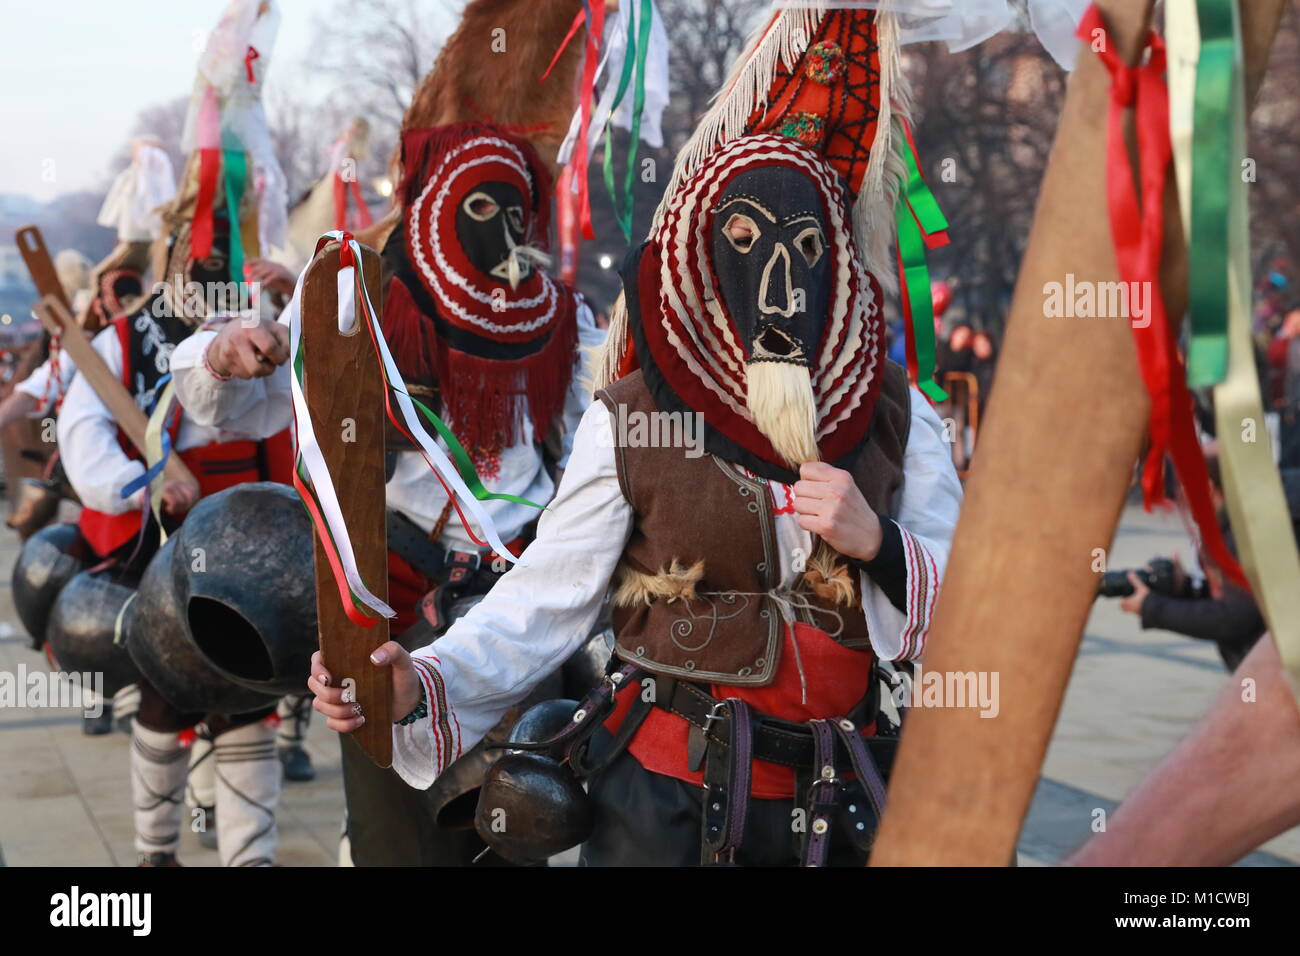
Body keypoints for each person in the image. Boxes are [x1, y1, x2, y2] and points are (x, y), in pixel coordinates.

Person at [311, 3, 964, 866]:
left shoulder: (894, 411)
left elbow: (976, 601)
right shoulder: (632, 416)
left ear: (837, 261)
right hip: (665, 808)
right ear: (704, 254)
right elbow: (549, 596)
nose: (777, 277)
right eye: (743, 238)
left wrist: (878, 545)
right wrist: (424, 682)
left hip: (842, 801)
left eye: (806, 245)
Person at [169, 0, 600, 865]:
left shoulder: (564, 320)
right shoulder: (351, 299)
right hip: (386, 600)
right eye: (478, 208)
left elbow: (606, 445)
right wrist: (223, 352)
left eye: (515, 212)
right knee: (392, 835)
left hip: (519, 606)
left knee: (523, 834)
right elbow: (230, 407)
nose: (502, 234)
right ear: (432, 204)